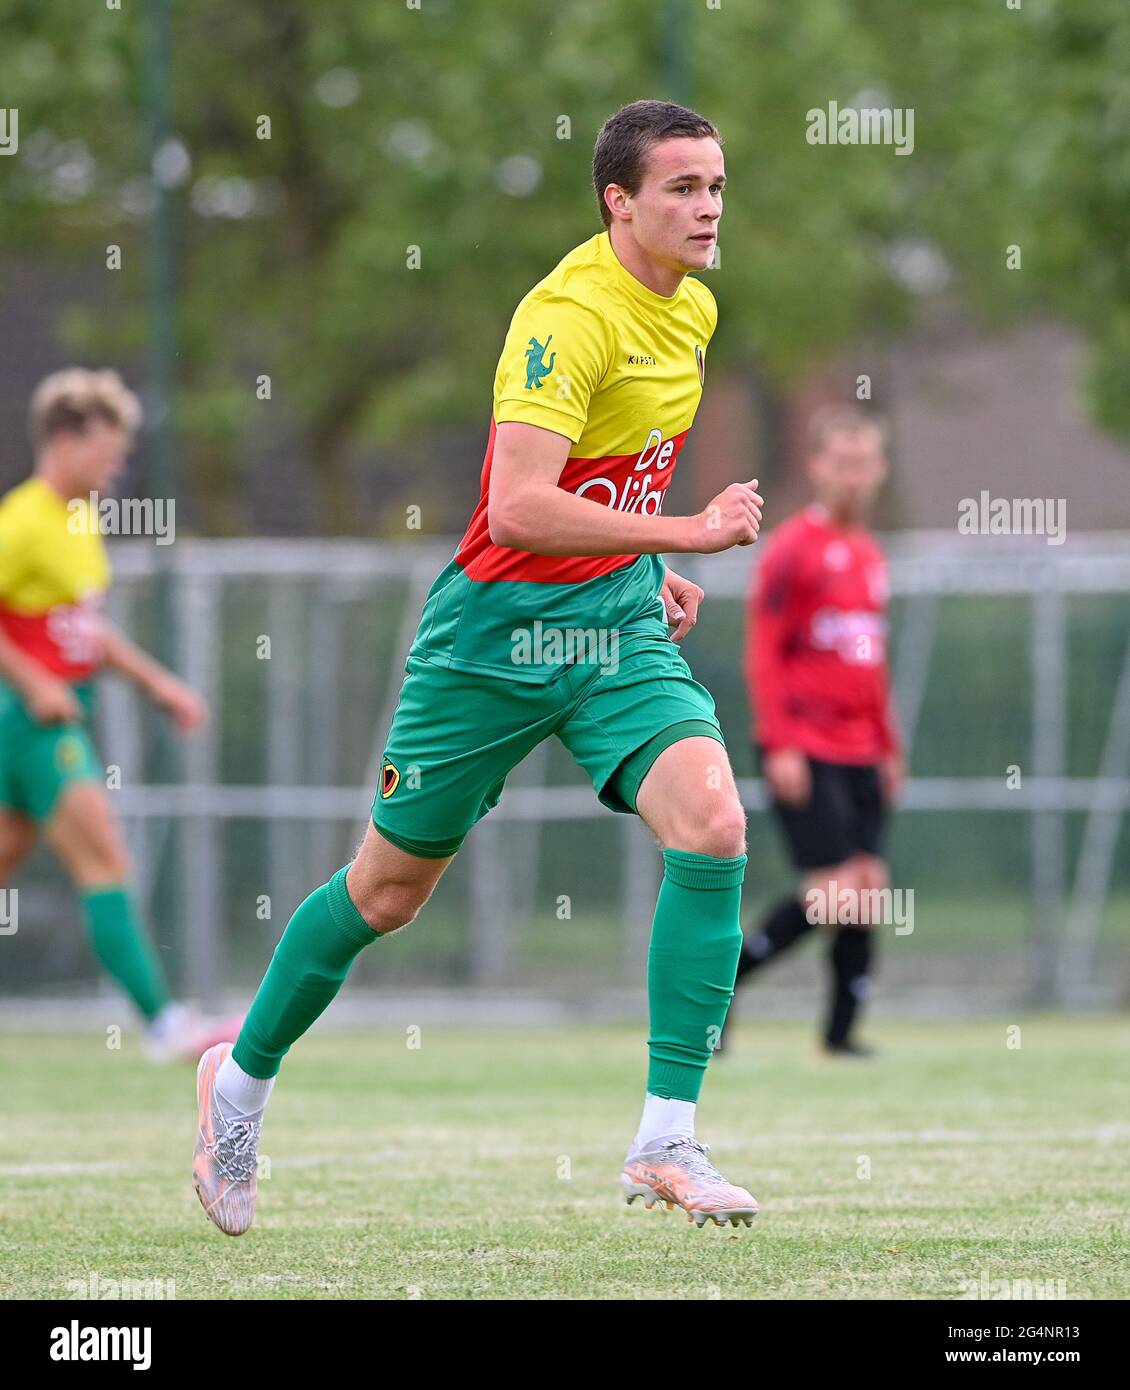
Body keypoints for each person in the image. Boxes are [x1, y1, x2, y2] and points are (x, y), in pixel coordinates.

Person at [193, 99, 764, 1236]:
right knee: (386, 893)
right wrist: (684, 536)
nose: (705, 209)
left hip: (608, 630)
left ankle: (664, 1137)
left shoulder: (690, 309)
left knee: (711, 821)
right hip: (491, 640)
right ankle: (236, 1089)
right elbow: (515, 503)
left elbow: (610, 484)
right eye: (680, 190)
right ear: (618, 201)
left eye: (713, 186)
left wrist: (645, 569)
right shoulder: (564, 316)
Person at [0, 368, 219, 1061]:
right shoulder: (25, 519)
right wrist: (34, 680)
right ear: (64, 440)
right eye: (107, 448)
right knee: (104, 857)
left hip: (45, 720)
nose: (116, 464)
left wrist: (158, 684)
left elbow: (85, 635)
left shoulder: (79, 521)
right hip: (32, 723)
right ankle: (163, 1024)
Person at [728, 405, 903, 1057]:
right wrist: (780, 740)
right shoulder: (793, 549)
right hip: (808, 745)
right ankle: (722, 988)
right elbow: (764, 650)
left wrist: (890, 746)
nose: (854, 476)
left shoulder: (868, 553)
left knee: (868, 890)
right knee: (834, 893)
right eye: (842, 463)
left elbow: (870, 662)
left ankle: (840, 1034)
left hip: (864, 750)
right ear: (817, 467)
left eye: (865, 463)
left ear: (880, 469)